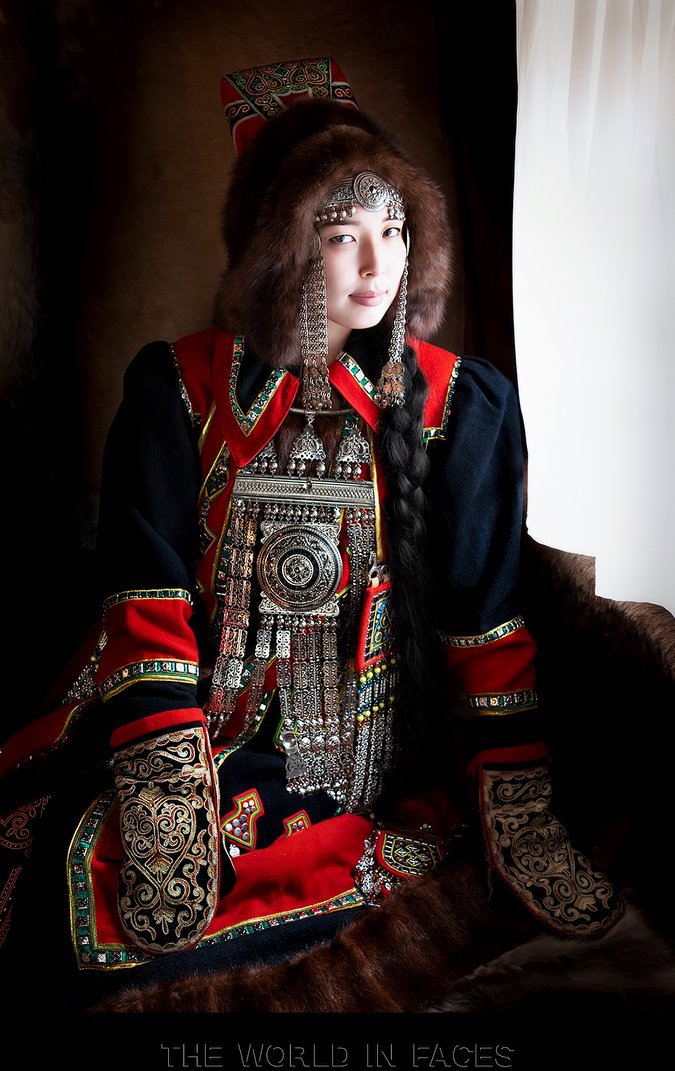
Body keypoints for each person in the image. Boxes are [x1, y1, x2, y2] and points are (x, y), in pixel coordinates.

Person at [0, 57, 622, 1011]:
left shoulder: (462, 402)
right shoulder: (178, 388)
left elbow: (484, 620)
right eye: (341, 236)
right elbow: (146, 591)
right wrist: (167, 787)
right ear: (280, 247)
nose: (378, 267)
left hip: (383, 754)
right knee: (86, 888)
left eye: (394, 231)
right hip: (204, 732)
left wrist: (516, 790)